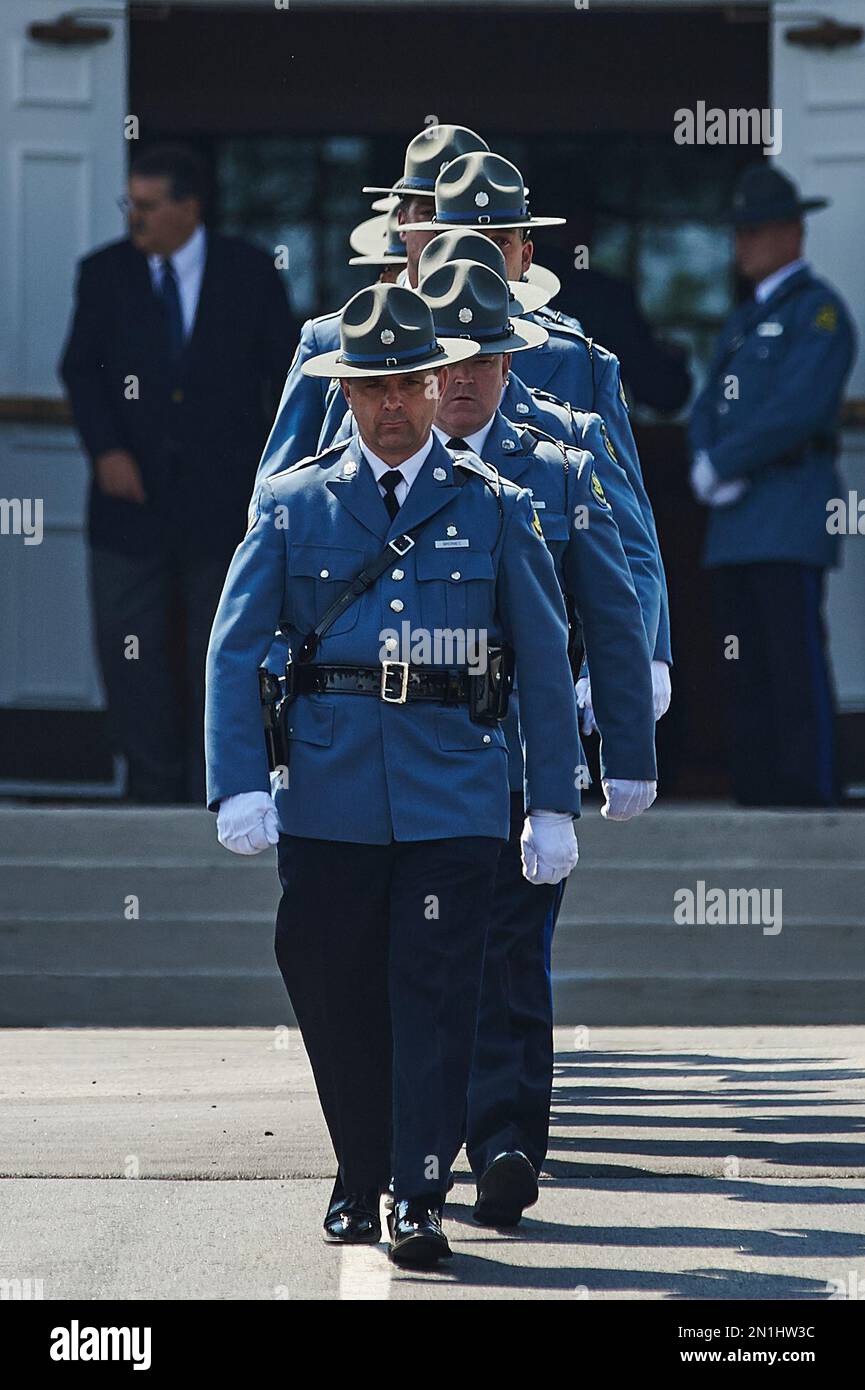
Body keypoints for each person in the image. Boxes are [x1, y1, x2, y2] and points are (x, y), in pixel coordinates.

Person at [204, 283, 583, 1268]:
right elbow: (234, 645)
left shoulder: (496, 506)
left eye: (407, 383)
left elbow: (542, 663)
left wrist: (550, 802)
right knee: (329, 983)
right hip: (328, 790)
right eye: (369, 385)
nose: (390, 406)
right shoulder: (292, 503)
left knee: (436, 992)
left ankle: (415, 1191)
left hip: (454, 791)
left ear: (435, 384)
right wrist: (237, 779)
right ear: (348, 390)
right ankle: (356, 1167)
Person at [415, 258, 657, 1220]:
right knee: (421, 956)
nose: (463, 379)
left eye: (484, 360)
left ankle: (507, 1137)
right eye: (447, 363)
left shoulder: (559, 463)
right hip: (406, 763)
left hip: (517, 753)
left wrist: (625, 749)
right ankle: (416, 1146)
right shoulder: (367, 471)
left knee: (510, 952)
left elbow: (612, 601)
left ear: (513, 365)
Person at [60, 144, 293, 802]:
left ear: (189, 208)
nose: (134, 218)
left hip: (223, 501)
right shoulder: (104, 273)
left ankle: (212, 790)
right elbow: (80, 369)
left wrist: (271, 476)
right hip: (127, 503)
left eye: (147, 205)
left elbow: (283, 379)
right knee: (130, 648)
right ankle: (148, 791)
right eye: (128, 204)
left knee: (216, 650)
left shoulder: (248, 272)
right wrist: (105, 450)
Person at [689, 164, 857, 807]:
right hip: (736, 523)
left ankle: (809, 792)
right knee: (743, 664)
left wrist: (724, 462)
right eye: (738, 232)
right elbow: (707, 403)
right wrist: (704, 455)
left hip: (785, 508)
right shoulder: (741, 319)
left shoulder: (818, 313)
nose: (743, 244)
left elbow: (798, 409)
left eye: (756, 230)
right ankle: (756, 789)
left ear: (793, 232)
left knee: (793, 662)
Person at [255, 125, 487, 485]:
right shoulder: (331, 339)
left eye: (462, 214)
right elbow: (278, 490)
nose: (447, 228)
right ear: (401, 222)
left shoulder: (545, 344)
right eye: (429, 212)